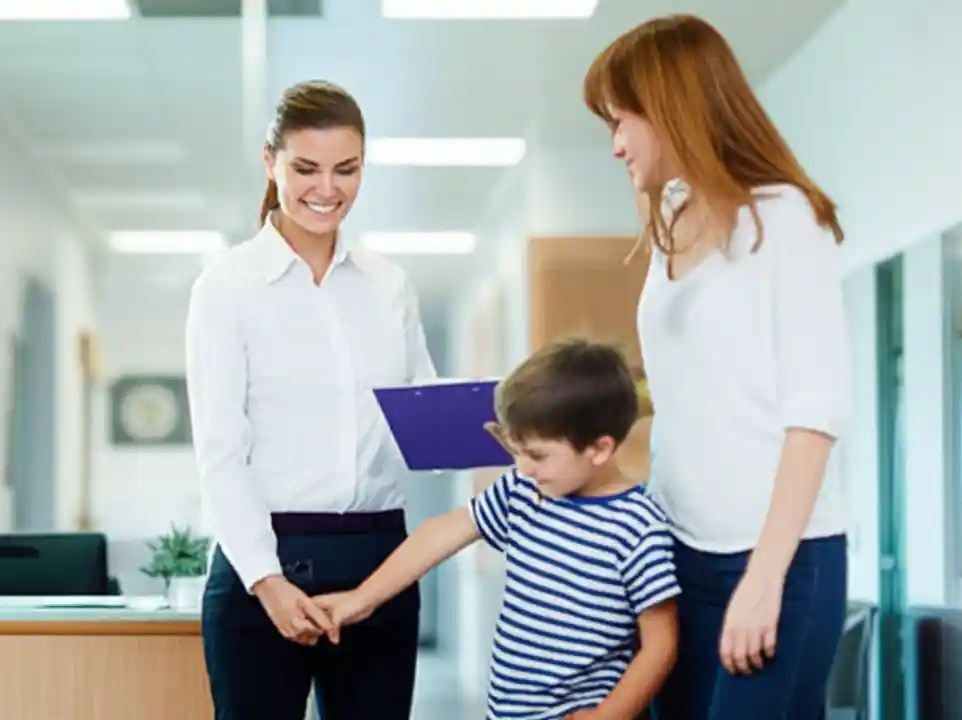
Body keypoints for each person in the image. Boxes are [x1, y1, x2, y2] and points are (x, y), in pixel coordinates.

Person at [583, 14, 851, 719]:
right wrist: (567, 417)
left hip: (775, 561)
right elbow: (684, 381)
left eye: (621, 121)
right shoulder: (673, 220)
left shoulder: (783, 219)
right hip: (680, 552)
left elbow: (813, 412)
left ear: (672, 109)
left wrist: (764, 579)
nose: (614, 147)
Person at [185, 79, 437, 720]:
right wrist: (266, 581)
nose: (327, 189)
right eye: (306, 168)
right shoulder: (228, 288)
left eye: (347, 170)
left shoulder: (389, 286)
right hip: (264, 563)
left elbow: (423, 420)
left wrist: (508, 419)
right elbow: (220, 451)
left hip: (380, 561)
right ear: (271, 163)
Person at [316, 338, 680, 720]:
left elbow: (661, 642)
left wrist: (609, 716)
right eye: (517, 452)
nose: (523, 467)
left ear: (600, 449)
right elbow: (440, 534)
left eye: (538, 455)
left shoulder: (639, 526)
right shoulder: (523, 491)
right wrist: (361, 598)